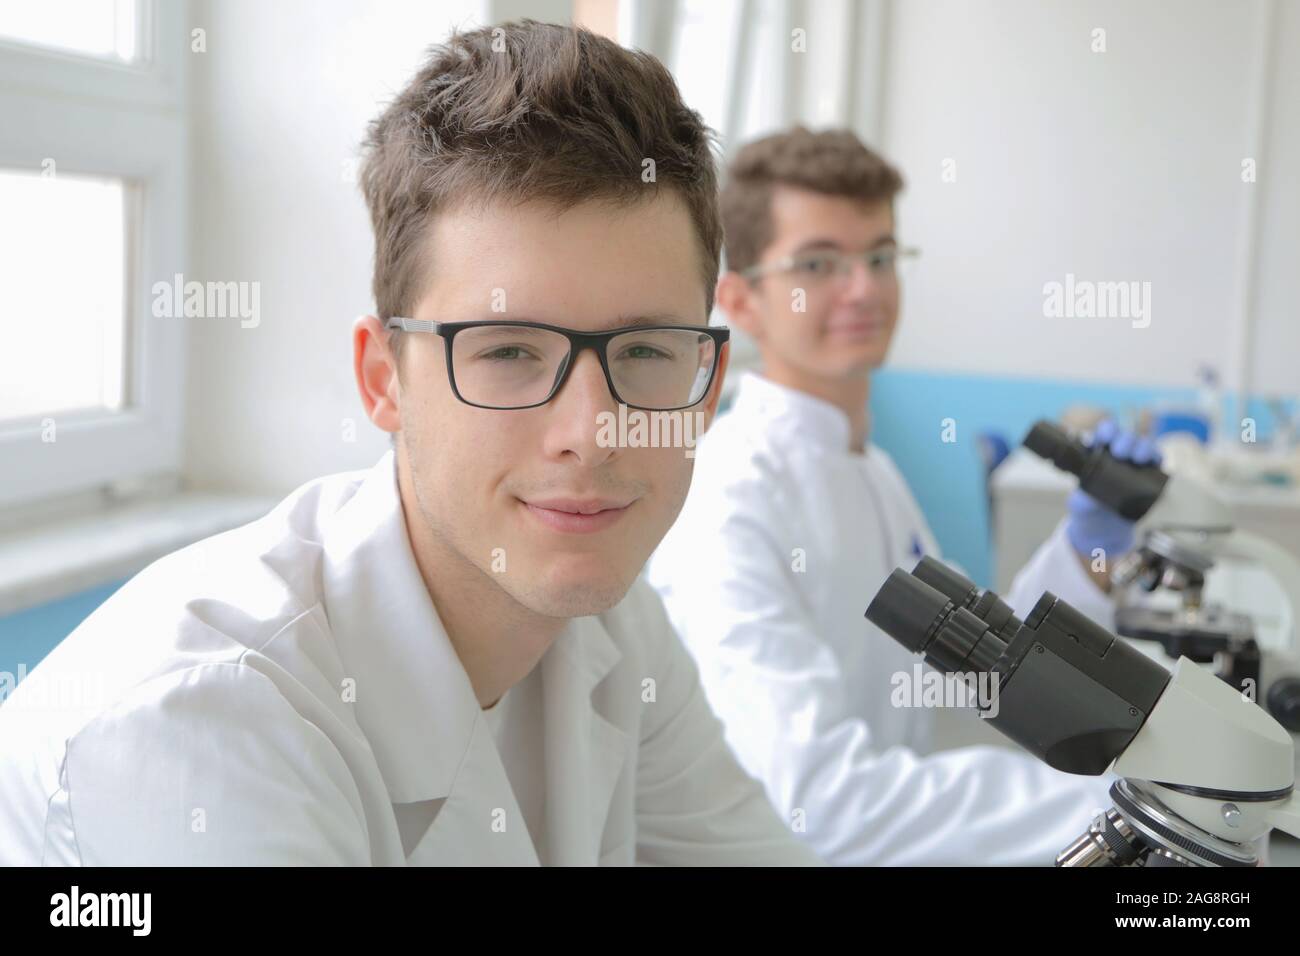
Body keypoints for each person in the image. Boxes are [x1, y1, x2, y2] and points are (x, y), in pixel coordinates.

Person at [0, 21, 820, 867]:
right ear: (384, 379)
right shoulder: (201, 724)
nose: (591, 432)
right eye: (508, 351)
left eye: (646, 351)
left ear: (708, 382)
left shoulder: (609, 620)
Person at [648, 127, 1145, 865]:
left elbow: (985, 670)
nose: (864, 288)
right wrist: (1132, 809)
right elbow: (815, 802)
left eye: (880, 257)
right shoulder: (727, 501)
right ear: (742, 301)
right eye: (818, 263)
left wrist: (1087, 551)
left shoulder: (872, 470)